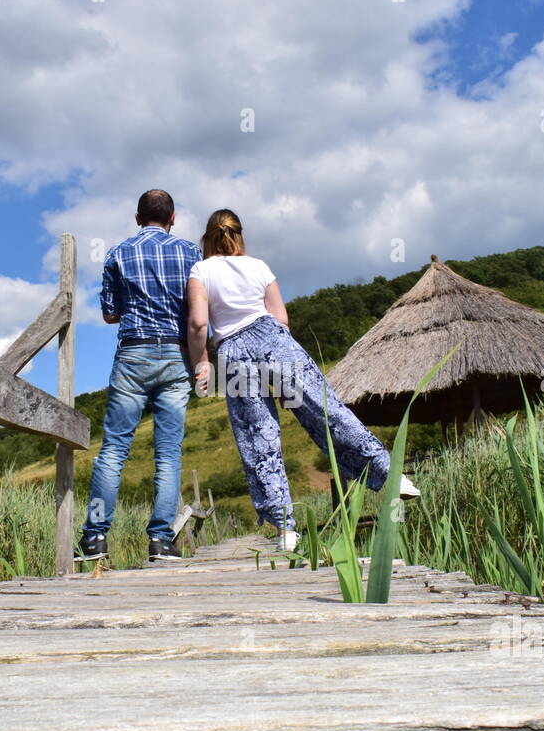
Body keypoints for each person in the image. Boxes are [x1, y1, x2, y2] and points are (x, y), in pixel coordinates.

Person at [185, 209, 418, 551]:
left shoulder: (200, 270)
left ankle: (285, 530)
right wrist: (284, 382)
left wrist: (201, 362)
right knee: (327, 411)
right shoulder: (259, 266)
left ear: (207, 238)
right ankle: (390, 473)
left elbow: (197, 325)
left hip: (234, 352)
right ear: (239, 235)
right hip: (274, 340)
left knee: (259, 438)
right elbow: (281, 317)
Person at [77, 189, 203, 563]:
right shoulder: (191, 254)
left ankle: (96, 538)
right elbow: (199, 310)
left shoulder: (118, 253)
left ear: (137, 218)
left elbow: (109, 313)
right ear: (173, 217)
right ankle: (161, 541)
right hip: (176, 355)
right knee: (167, 455)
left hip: (133, 353)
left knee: (114, 449)